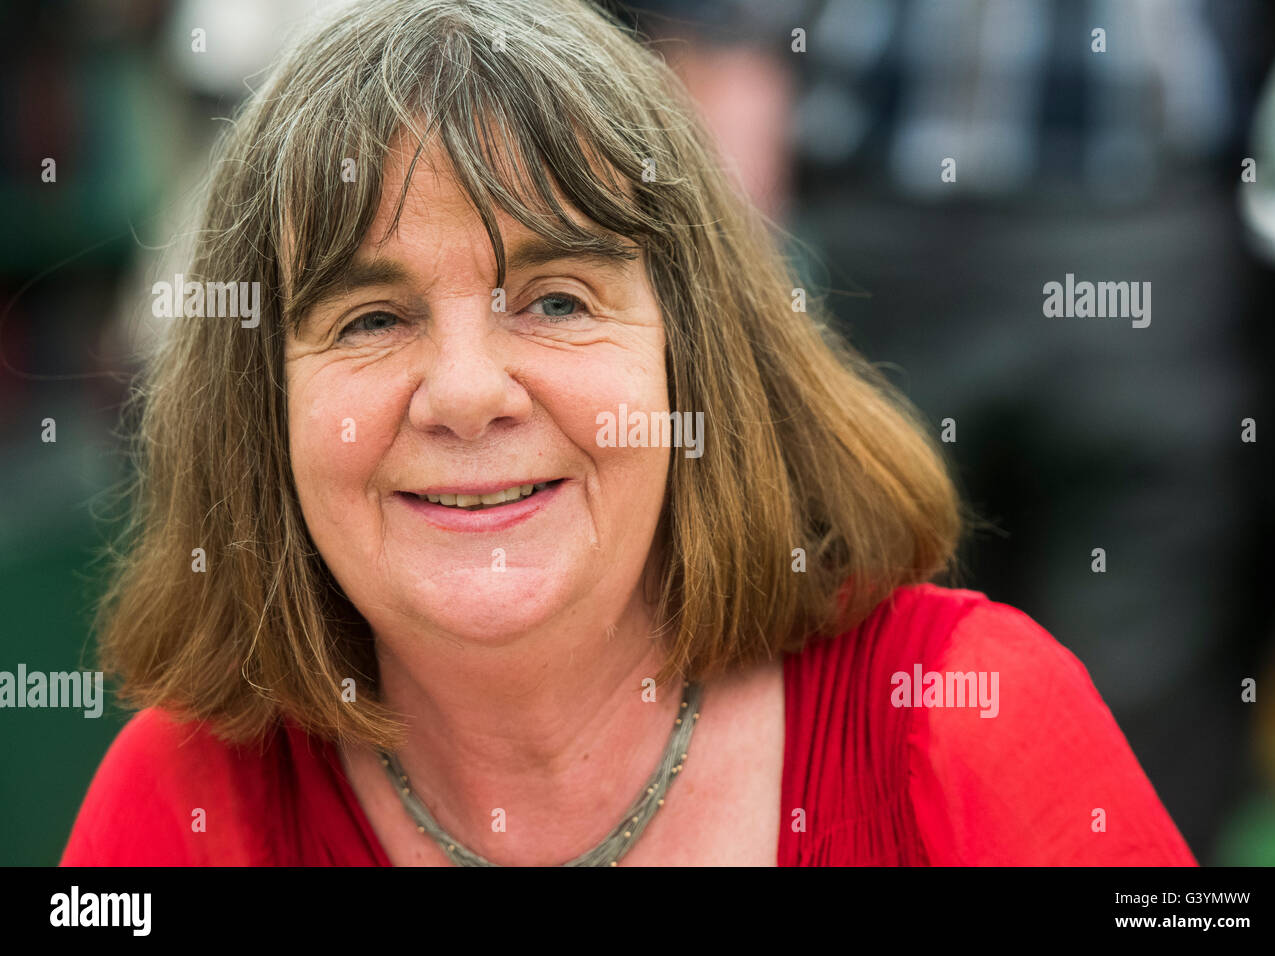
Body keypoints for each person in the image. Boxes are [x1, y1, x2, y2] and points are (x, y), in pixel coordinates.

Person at [60, 0, 1195, 866]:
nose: (465, 392)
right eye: (371, 316)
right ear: (262, 410)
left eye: (555, 299)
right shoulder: (182, 799)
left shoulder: (970, 718)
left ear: (695, 352)